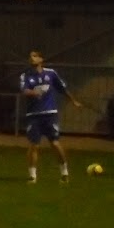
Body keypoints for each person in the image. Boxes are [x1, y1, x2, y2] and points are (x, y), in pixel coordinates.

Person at [20, 49, 87, 183]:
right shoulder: (25, 75)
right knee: (34, 145)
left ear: (41, 59)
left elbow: (62, 89)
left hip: (50, 114)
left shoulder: (51, 74)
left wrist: (73, 101)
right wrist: (33, 93)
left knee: (55, 143)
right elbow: (24, 90)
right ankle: (32, 176)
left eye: (35, 56)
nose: (32, 58)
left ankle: (64, 172)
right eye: (30, 56)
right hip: (34, 114)